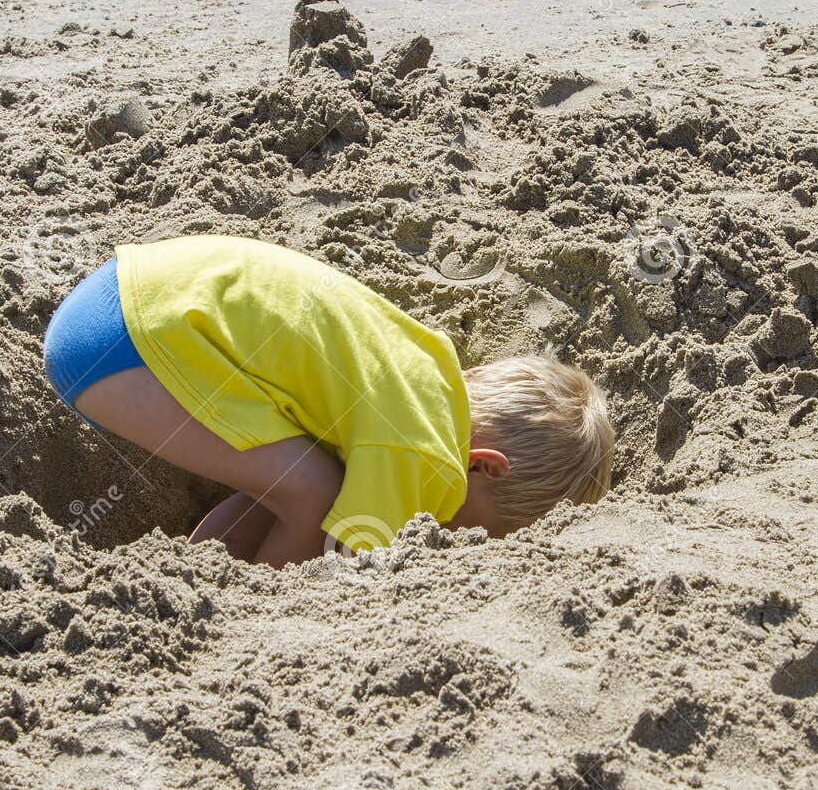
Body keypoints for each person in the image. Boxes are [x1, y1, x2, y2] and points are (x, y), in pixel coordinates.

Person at [41, 234, 614, 567]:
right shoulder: (424, 457)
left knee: (293, 477)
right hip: (128, 349)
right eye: (480, 534)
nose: (450, 536)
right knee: (312, 493)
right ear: (483, 466)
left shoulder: (425, 372)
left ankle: (201, 574)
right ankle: (255, 620)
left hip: (129, 291)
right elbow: (344, 558)